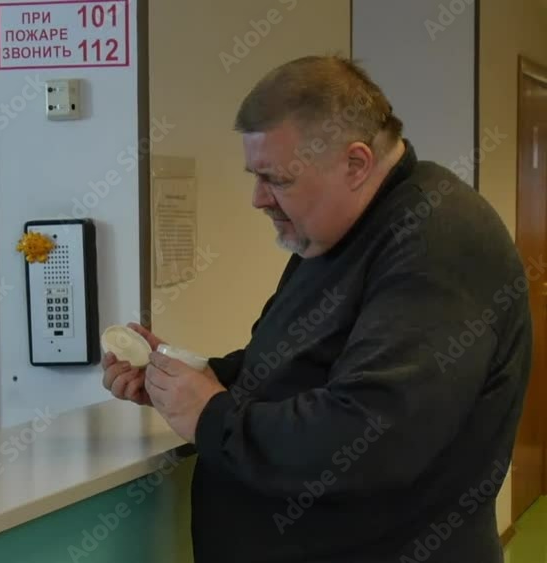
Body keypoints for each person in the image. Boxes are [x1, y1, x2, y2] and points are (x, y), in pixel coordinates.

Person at [103, 56, 531, 563]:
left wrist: (211, 415)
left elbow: (371, 437)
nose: (257, 199)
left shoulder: (438, 243)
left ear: (355, 163)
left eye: (277, 179)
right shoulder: (337, 232)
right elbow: (290, 363)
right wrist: (180, 377)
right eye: (254, 175)